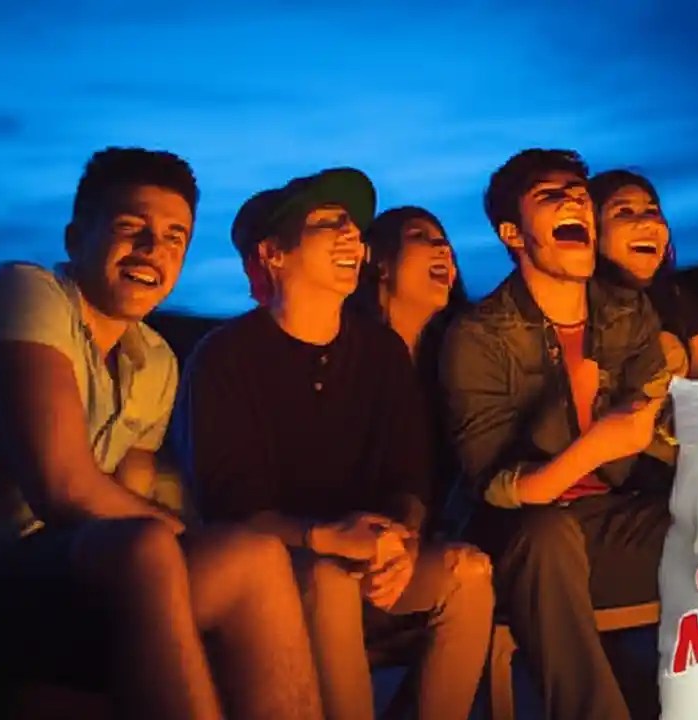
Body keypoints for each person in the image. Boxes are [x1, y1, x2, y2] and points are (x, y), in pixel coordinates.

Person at [0, 148, 323, 720]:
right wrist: (183, 532)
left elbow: (128, 490)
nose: (151, 250)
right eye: (131, 228)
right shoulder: (21, 292)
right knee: (144, 545)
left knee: (254, 556)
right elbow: (63, 487)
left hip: (57, 576)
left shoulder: (155, 360)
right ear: (75, 237)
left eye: (173, 238)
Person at [171, 168, 493, 720]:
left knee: (468, 573)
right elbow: (231, 509)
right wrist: (324, 536)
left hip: (376, 559)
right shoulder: (225, 358)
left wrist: (406, 541)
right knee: (328, 580)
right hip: (285, 569)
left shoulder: (380, 352)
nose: (353, 237)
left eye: (354, 227)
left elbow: (408, 473)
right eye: (328, 223)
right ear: (274, 254)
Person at [440, 149, 671, 720]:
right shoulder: (479, 336)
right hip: (522, 537)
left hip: (612, 518)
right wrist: (593, 441)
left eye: (577, 192)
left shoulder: (624, 314)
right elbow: (494, 485)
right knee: (545, 532)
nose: (574, 200)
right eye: (550, 195)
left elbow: (647, 437)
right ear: (513, 233)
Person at [348, 206, 470, 534]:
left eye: (444, 242)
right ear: (381, 264)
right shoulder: (346, 363)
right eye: (420, 237)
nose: (444, 248)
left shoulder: (452, 367)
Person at [587, 169, 698, 382]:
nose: (649, 223)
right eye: (624, 212)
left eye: (652, 212)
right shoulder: (573, 309)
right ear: (592, 230)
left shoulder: (679, 301)